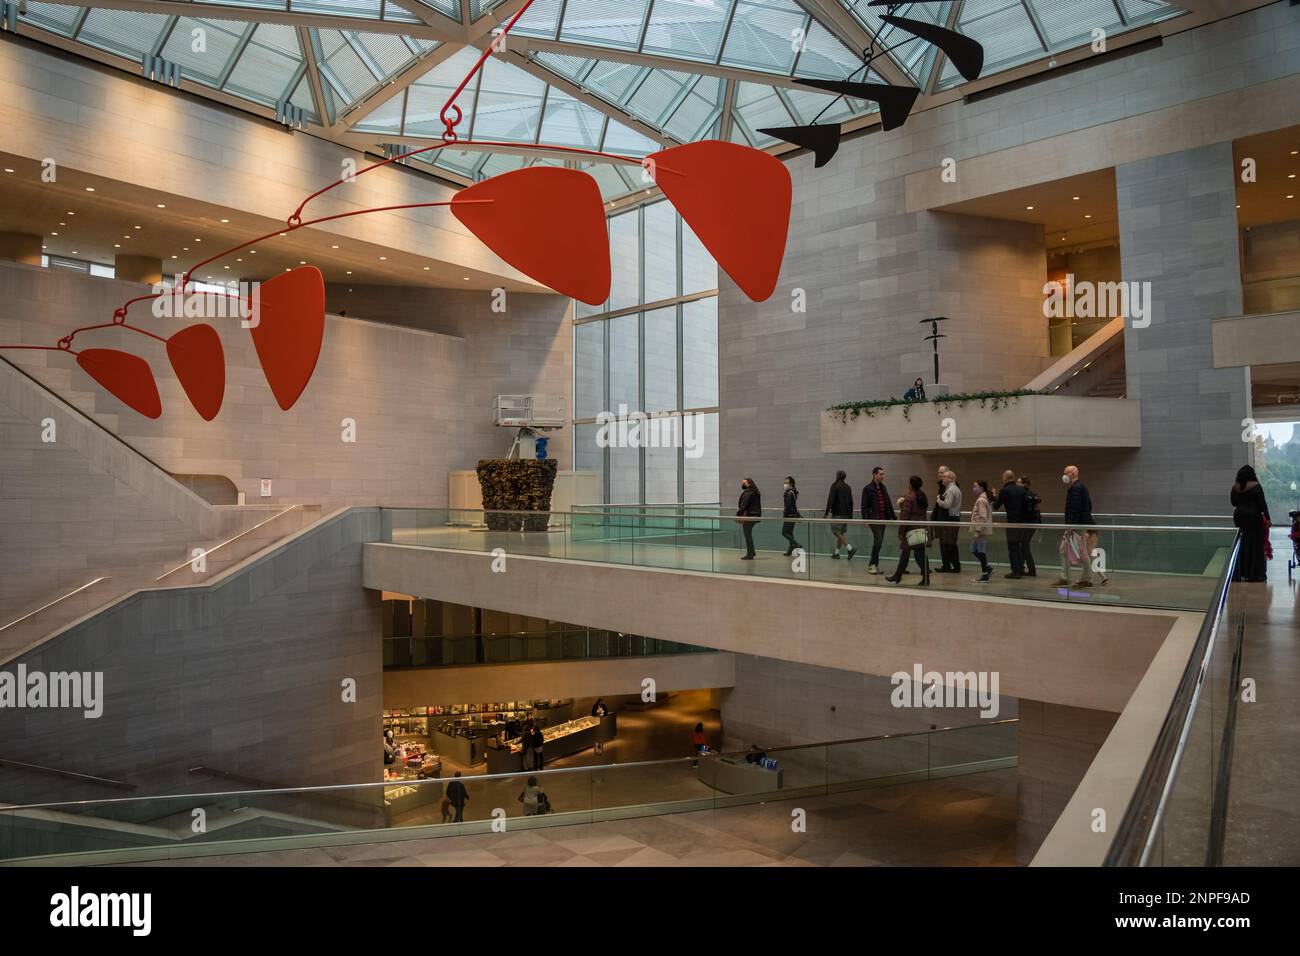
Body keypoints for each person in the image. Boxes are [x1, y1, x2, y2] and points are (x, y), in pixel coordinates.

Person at [1058, 464, 1101, 587]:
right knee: (1065, 549)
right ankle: (1066, 577)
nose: (1064, 475)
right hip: (1079, 524)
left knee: (1081, 552)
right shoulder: (1080, 487)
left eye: (1066, 473)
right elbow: (1088, 505)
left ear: (1072, 474)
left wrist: (1070, 526)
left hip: (1076, 526)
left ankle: (1085, 579)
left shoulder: (1076, 488)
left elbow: (1075, 509)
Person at [886, 475, 930, 586]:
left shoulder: (909, 497)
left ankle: (898, 576)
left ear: (910, 484)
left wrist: (901, 531)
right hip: (921, 527)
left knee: (909, 552)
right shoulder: (922, 496)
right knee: (918, 553)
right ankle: (923, 577)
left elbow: (905, 515)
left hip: (911, 529)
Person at [1231, 465, 1270, 582]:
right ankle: (1255, 574)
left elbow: (1233, 503)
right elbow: (1262, 504)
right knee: (1256, 545)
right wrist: (1268, 518)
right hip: (1254, 517)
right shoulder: (1256, 486)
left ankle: (1241, 573)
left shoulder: (1235, 487)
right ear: (1251, 474)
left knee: (1242, 543)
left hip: (1239, 516)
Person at [993, 469, 1028, 578]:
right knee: (1019, 546)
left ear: (1005, 478)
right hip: (1022, 522)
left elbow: (996, 506)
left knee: (1012, 547)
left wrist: (994, 496)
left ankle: (1015, 571)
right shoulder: (1021, 489)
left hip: (1012, 522)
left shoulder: (1004, 490)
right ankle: (1021, 568)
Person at [861, 466, 895, 574]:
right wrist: (865, 520)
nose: (882, 476)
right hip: (874, 520)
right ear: (874, 475)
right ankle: (872, 564)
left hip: (883, 519)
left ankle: (874, 564)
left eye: (883, 474)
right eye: (880, 474)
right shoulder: (867, 489)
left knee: (879, 542)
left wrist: (893, 517)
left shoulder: (883, 487)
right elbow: (864, 506)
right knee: (878, 540)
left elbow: (888, 503)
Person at [934, 467, 963, 573]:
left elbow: (946, 505)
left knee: (949, 544)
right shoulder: (955, 489)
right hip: (954, 518)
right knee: (951, 543)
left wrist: (938, 499)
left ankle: (954, 566)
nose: (942, 478)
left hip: (950, 519)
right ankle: (954, 565)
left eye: (944, 476)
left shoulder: (950, 490)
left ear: (950, 478)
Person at [824, 470, 856, 560]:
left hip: (837, 513)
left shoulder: (835, 486)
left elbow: (831, 499)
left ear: (837, 476)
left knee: (836, 532)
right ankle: (837, 553)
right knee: (840, 533)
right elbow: (851, 502)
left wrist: (826, 512)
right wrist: (851, 515)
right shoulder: (848, 487)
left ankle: (850, 548)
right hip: (846, 514)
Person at [969, 480, 993, 582]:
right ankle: (987, 568)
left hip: (980, 530)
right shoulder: (982, 499)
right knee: (973, 549)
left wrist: (978, 531)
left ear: (981, 488)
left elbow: (983, 517)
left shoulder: (981, 500)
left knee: (980, 550)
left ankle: (985, 573)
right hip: (979, 529)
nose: (973, 489)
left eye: (975, 486)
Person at [1019, 476, 1041, 577]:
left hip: (1029, 523)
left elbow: (1027, 511)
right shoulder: (1032, 495)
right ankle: (1021, 567)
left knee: (1025, 545)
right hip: (1033, 523)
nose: (1017, 484)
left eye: (1019, 482)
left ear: (1024, 484)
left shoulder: (1025, 495)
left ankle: (1031, 570)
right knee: (1024, 544)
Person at [737, 477, 762, 560]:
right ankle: (751, 552)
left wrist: (738, 513)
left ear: (749, 484)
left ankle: (750, 553)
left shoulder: (748, 492)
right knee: (748, 534)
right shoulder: (754, 492)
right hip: (754, 515)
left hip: (750, 516)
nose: (742, 485)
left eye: (744, 483)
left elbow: (743, 505)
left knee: (747, 535)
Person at [781, 476, 803, 556]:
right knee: (789, 533)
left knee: (784, 532)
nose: (784, 484)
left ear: (791, 484)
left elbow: (788, 506)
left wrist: (785, 515)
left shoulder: (789, 493)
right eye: (784, 482)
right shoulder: (792, 492)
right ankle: (790, 550)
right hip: (793, 515)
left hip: (790, 515)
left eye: (786, 483)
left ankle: (796, 544)